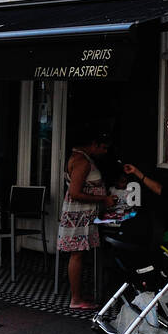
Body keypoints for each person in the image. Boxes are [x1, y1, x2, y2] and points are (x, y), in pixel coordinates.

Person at [58, 129, 116, 310]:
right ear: (93, 145)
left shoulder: (79, 157)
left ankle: (79, 294)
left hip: (83, 215)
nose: (105, 152)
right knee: (77, 254)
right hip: (78, 215)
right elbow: (75, 193)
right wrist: (103, 199)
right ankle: (75, 299)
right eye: (103, 148)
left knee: (79, 254)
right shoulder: (82, 162)